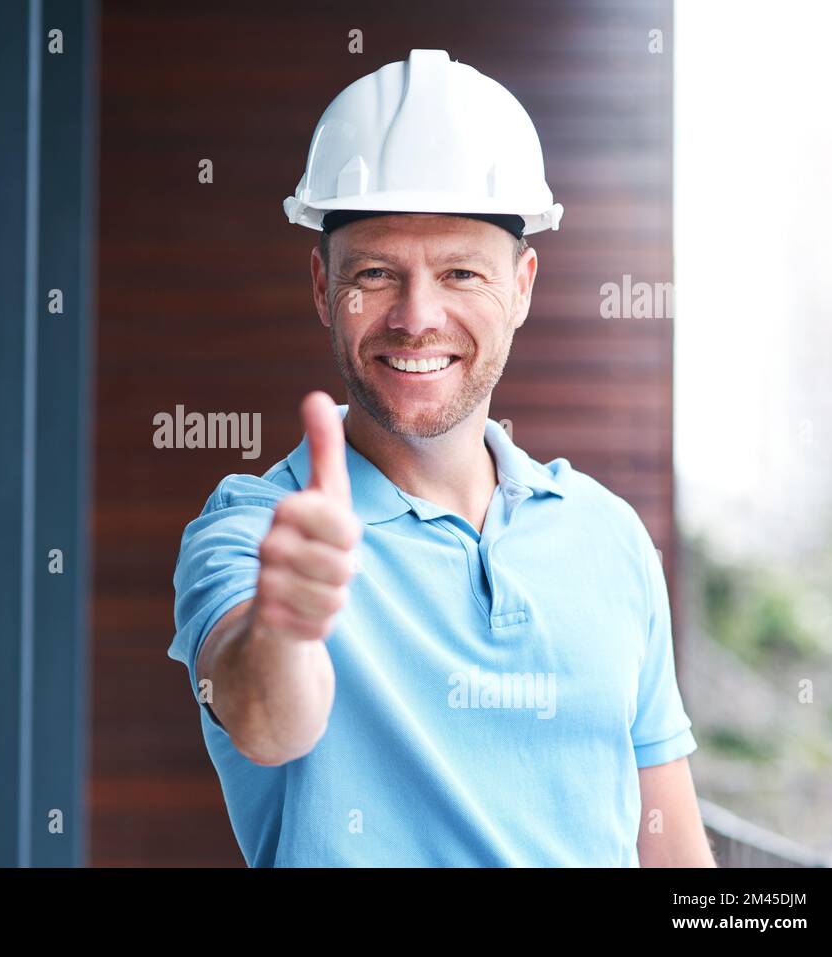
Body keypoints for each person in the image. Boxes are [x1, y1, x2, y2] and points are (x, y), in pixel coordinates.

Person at [168, 49, 714, 866]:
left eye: (460, 272)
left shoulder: (610, 537)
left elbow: (671, 849)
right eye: (378, 274)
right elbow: (267, 719)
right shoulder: (256, 531)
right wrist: (288, 623)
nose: (417, 317)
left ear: (522, 285)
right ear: (323, 288)